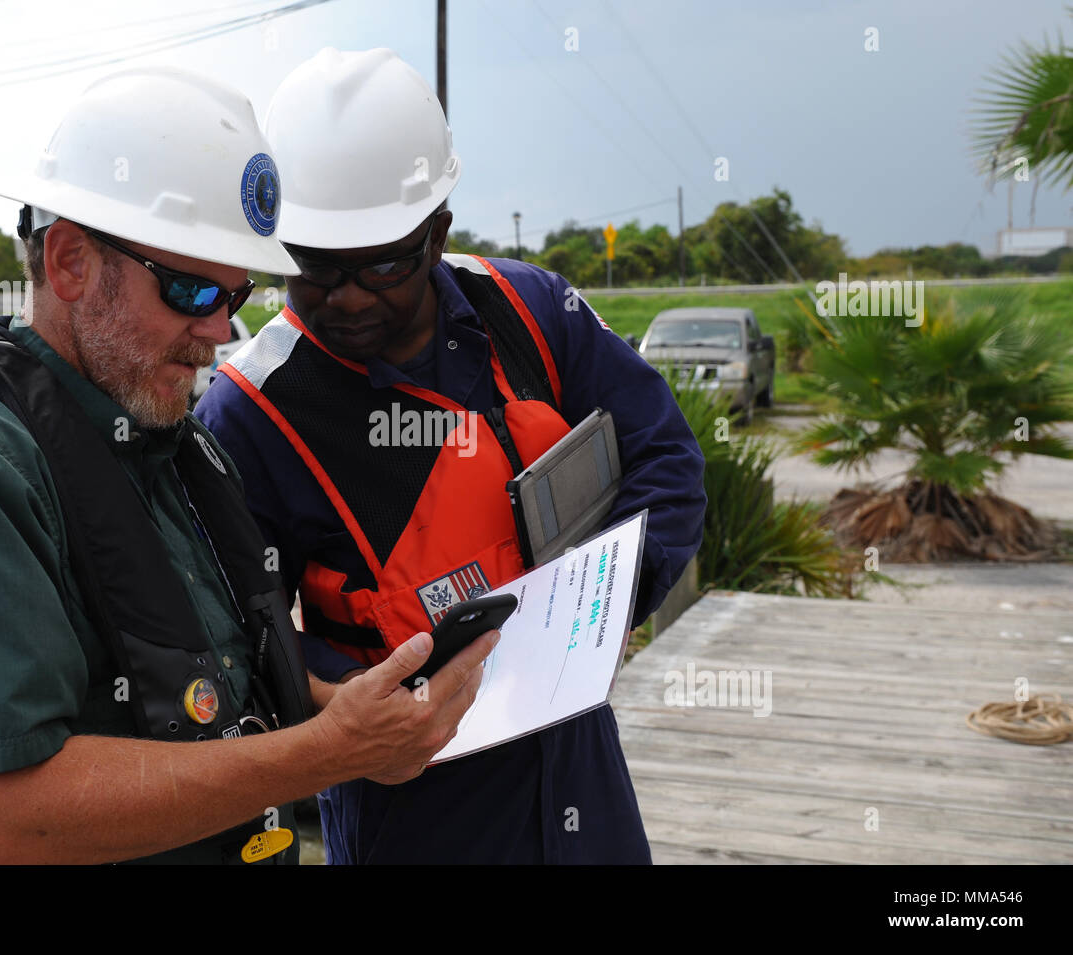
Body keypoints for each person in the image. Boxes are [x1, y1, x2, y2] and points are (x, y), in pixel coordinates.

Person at [0, 67, 492, 865]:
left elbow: (214, 682)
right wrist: (328, 752)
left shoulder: (163, 438)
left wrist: (344, 709)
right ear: (68, 262)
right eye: (189, 289)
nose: (217, 331)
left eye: (235, 298)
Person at [196, 48, 707, 864]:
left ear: (437, 233)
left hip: (580, 773)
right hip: (411, 808)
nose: (347, 295)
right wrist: (336, 713)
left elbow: (667, 459)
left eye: (382, 265)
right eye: (315, 267)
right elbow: (229, 641)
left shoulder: (531, 310)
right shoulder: (249, 416)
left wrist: (599, 621)